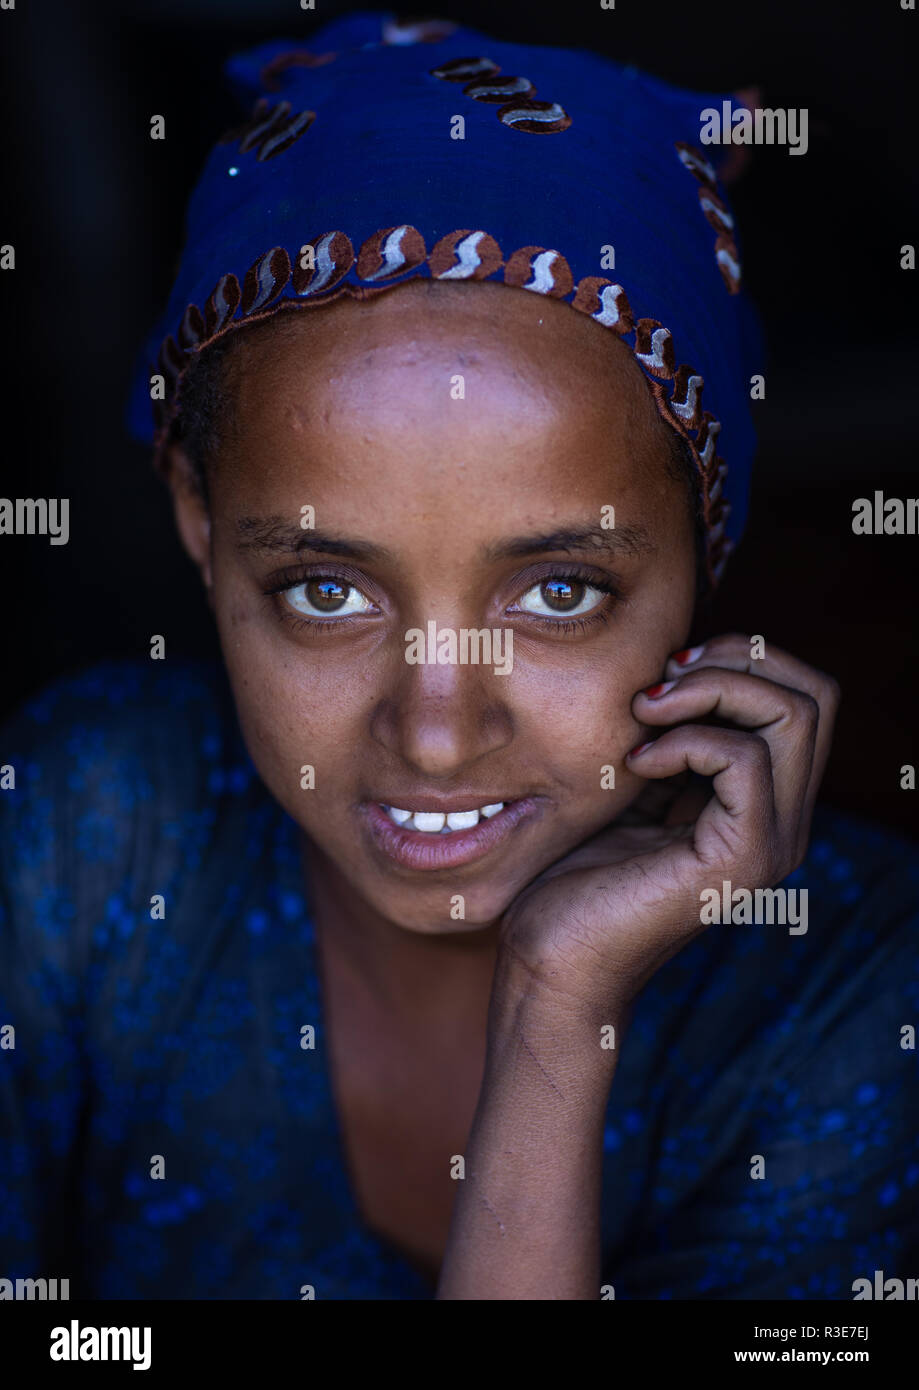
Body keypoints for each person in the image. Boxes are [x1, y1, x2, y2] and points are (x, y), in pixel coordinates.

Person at [1, 10, 916, 1301]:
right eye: (325, 589)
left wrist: (554, 1013)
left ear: (702, 559)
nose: (435, 732)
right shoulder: (87, 826)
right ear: (198, 522)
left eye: (558, 590)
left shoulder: (850, 984)